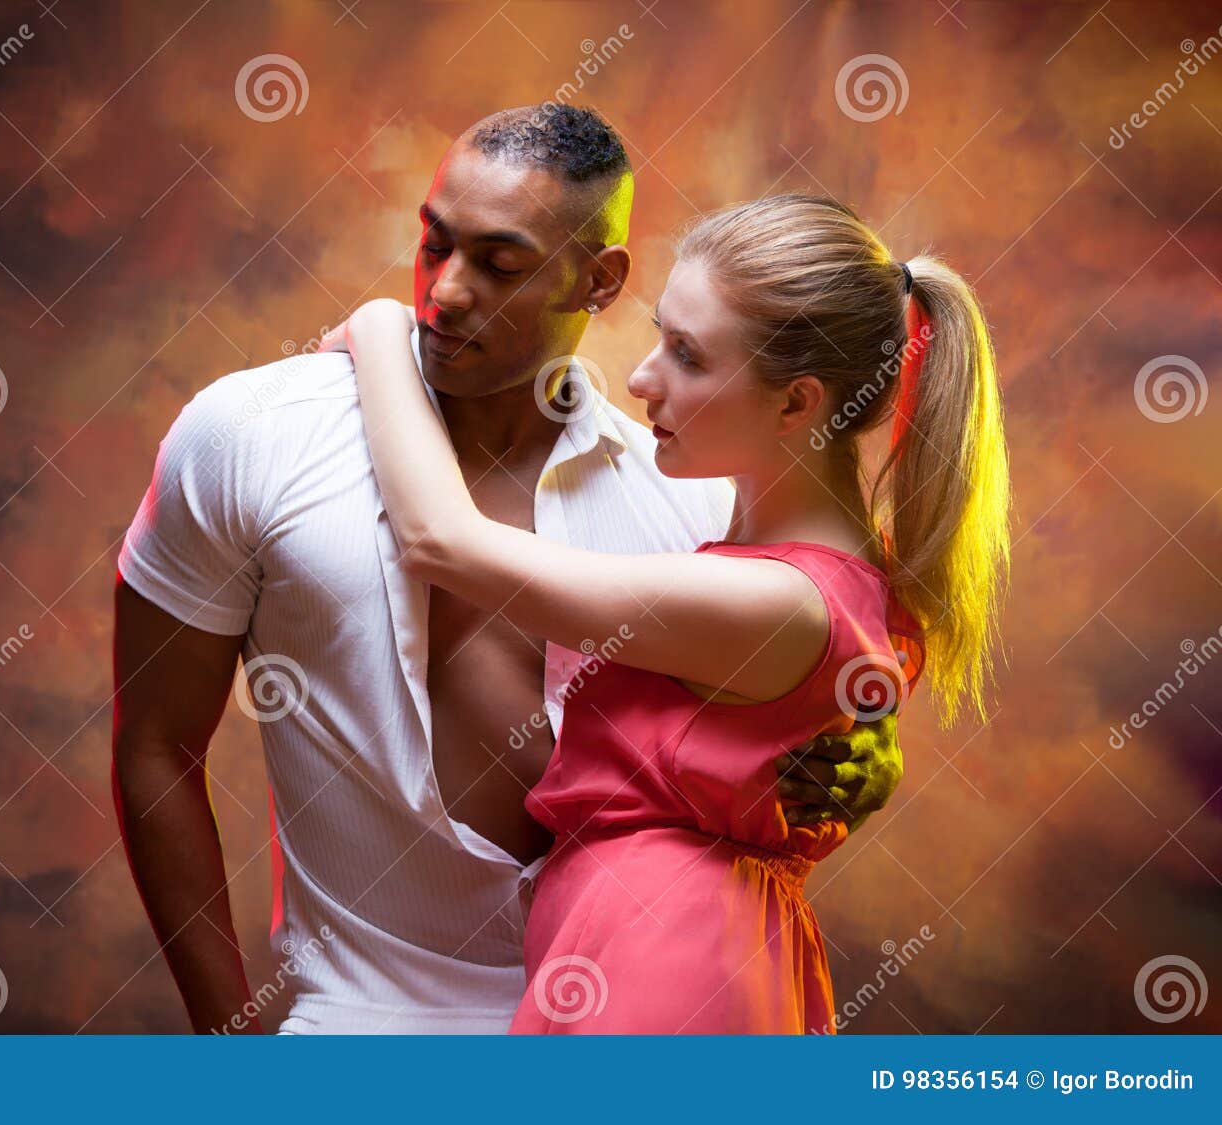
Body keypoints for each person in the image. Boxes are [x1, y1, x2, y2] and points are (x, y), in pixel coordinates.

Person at [112, 105, 906, 1035]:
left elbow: (791, 672)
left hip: (633, 1012)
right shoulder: (251, 434)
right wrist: (227, 1044)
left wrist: (850, 745)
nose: (445, 293)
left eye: (499, 262)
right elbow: (155, 744)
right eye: (433, 244)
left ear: (598, 280)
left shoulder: (698, 494)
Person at [320, 190, 1011, 1033]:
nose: (643, 377)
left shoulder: (775, 596)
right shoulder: (790, 562)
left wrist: (380, 332)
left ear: (798, 404)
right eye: (660, 337)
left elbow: (441, 542)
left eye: (686, 354)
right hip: (661, 957)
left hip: (664, 971)